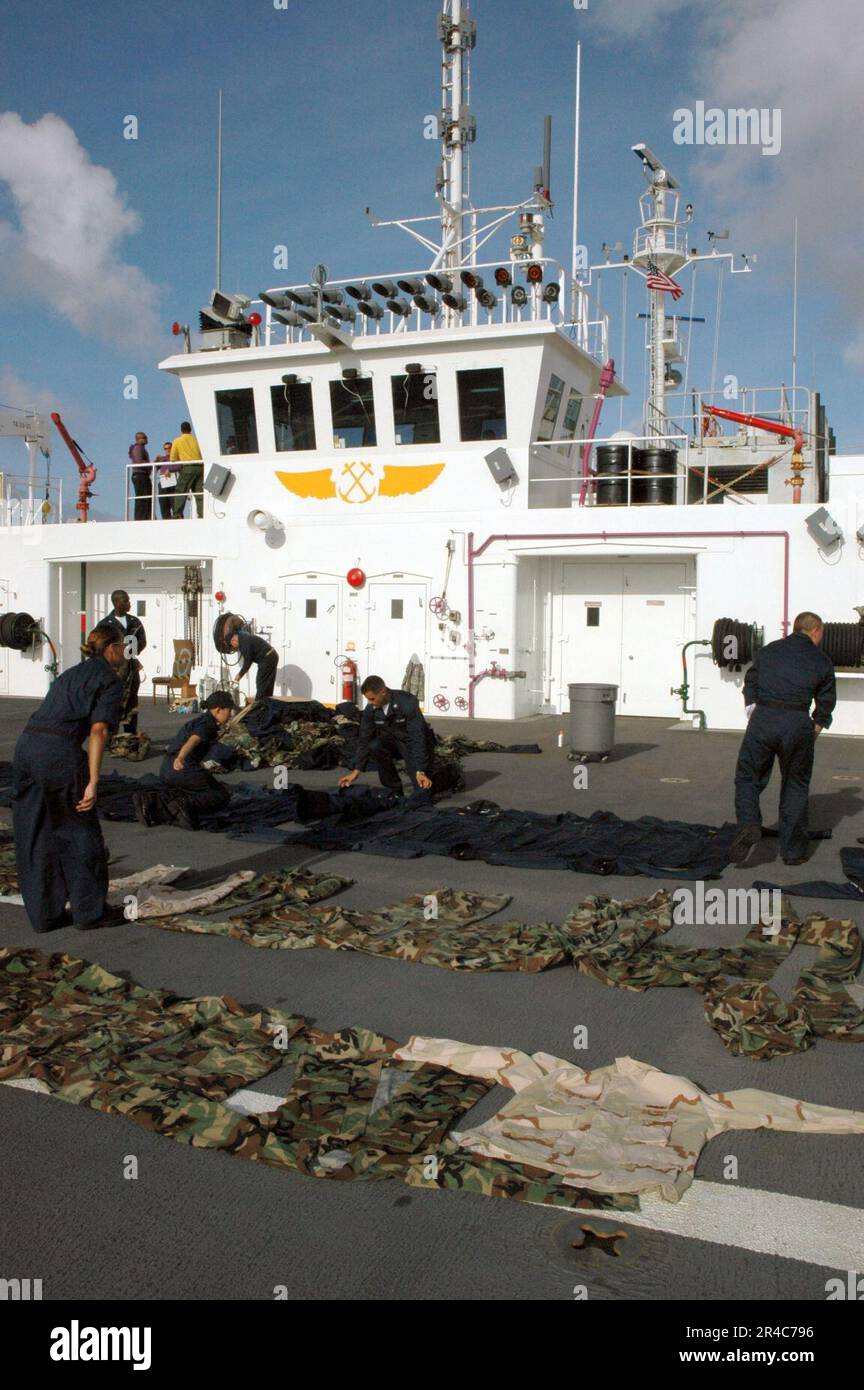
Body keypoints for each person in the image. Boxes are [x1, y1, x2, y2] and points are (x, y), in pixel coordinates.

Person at [11, 627, 126, 932]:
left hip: (26, 747)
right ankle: (90, 912)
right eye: (124, 646)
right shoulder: (110, 681)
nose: (127, 653)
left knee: (36, 832)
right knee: (79, 832)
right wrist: (93, 780)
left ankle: (44, 915)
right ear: (111, 649)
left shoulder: (71, 674)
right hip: (58, 752)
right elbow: (98, 731)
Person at [731, 611, 836, 866]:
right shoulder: (821, 660)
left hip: (764, 718)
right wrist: (818, 724)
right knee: (795, 785)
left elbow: (751, 680)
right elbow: (826, 697)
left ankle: (749, 823)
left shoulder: (768, 651)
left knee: (748, 777)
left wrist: (752, 708)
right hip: (797, 722)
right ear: (816, 630)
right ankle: (793, 852)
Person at [133, 691, 236, 829]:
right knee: (220, 795)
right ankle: (185, 806)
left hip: (167, 767)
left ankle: (153, 801)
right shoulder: (208, 725)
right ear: (218, 709)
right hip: (182, 767)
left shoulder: (200, 720)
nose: (230, 715)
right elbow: (193, 740)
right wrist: (181, 758)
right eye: (229, 710)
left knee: (189, 790)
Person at [339, 675, 435, 795]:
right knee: (375, 746)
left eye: (372, 699)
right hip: (393, 742)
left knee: (423, 792)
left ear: (383, 692)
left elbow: (418, 737)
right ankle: (394, 790)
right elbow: (364, 739)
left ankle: (440, 778)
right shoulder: (371, 709)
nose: (370, 703)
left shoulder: (407, 703)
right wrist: (356, 771)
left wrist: (421, 770)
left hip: (412, 743)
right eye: (368, 699)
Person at [95, 591, 147, 734]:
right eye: (126, 601)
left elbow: (142, 640)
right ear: (117, 603)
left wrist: (131, 653)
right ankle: (110, 736)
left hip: (130, 667)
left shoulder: (134, 622)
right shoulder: (105, 624)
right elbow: (97, 645)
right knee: (112, 700)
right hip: (113, 670)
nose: (129, 603)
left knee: (131, 701)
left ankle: (129, 735)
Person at [229, 626, 279, 701]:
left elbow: (248, 661)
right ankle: (267, 704)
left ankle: (259, 705)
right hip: (271, 656)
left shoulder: (244, 643)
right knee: (267, 685)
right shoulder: (244, 637)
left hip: (267, 658)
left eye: (231, 645)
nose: (233, 647)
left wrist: (240, 675)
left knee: (261, 683)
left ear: (233, 640)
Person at [170, 420, 203, 518]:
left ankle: (177, 515)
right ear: (190, 429)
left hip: (188, 468)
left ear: (181, 430)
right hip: (200, 468)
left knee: (181, 491)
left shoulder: (177, 441)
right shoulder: (197, 440)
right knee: (199, 493)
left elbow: (173, 458)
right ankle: (202, 514)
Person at [129, 431, 152, 520]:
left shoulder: (140, 448)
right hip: (140, 475)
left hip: (141, 475)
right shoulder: (138, 448)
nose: (146, 439)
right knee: (143, 497)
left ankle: (144, 516)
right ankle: (142, 517)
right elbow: (138, 461)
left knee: (144, 497)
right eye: (144, 437)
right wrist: (150, 464)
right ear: (139, 439)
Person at [155, 440, 179, 519]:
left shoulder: (176, 458)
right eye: (165, 448)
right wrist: (156, 461)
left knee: (175, 507)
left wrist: (170, 470)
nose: (167, 450)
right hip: (163, 484)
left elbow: (179, 466)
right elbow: (154, 468)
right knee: (164, 507)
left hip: (173, 484)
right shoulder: (162, 459)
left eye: (169, 448)